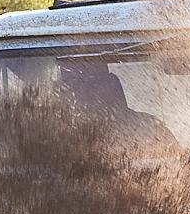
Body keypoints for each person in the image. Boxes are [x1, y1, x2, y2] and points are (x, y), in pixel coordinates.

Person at [53, 62, 181, 156]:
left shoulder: (53, 141)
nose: (89, 93)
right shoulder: (149, 128)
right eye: (76, 86)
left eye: (95, 85)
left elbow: (179, 165)